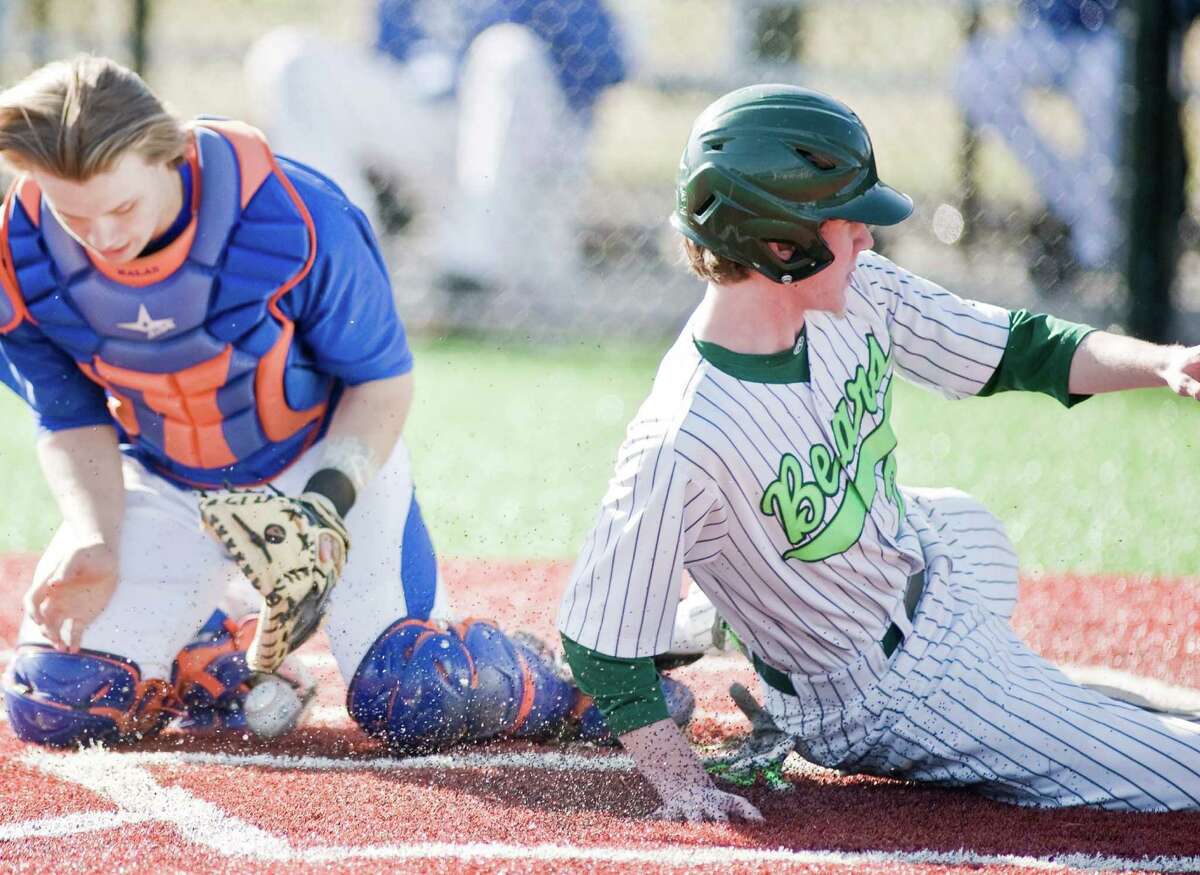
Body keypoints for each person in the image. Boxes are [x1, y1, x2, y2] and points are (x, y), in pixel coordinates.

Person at [0, 55, 689, 751]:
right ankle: (216, 647)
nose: (105, 238)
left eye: (121, 207)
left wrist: (323, 505)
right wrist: (93, 533)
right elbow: (69, 414)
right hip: (165, 473)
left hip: (321, 461)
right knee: (62, 699)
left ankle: (553, 681)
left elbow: (381, 384)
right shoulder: (21, 249)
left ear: (174, 153)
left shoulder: (287, 215)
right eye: (74, 215)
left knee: (416, 693)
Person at [557, 83, 1200, 822]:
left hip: (920, 562)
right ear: (779, 243)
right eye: (848, 221)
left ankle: (727, 610)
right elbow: (597, 645)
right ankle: (760, 622)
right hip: (884, 692)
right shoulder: (685, 439)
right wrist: (684, 782)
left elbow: (1021, 351)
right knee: (1184, 773)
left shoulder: (851, 292)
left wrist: (1162, 363)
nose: (868, 236)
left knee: (978, 530)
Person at [243, 0, 628, 298]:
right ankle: (344, 260)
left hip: (521, 138)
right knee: (292, 59)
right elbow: (390, 52)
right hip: (431, 123)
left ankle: (468, 277)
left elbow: (607, 63)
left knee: (505, 53)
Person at [956, 0, 1122, 280]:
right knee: (973, 77)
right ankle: (1072, 200)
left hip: (1110, 35)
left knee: (1101, 96)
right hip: (1041, 31)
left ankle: (1094, 242)